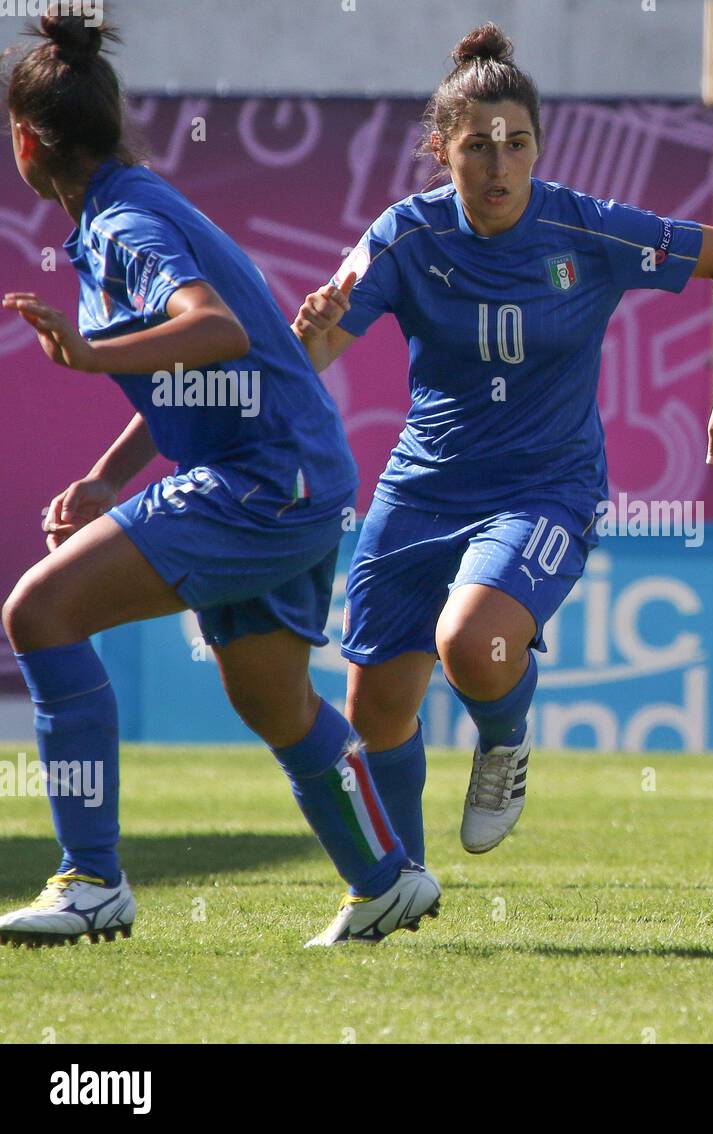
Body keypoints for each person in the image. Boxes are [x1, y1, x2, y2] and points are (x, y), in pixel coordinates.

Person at [0, 13, 437, 948]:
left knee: (38, 614)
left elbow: (215, 331)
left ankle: (90, 881)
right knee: (271, 697)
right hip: (295, 474)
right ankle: (386, 878)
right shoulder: (133, 207)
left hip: (259, 480)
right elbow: (193, 370)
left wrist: (82, 352)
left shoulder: (123, 223)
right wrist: (109, 476)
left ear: (27, 139)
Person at [292, 23, 713, 865]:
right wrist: (313, 333)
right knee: (376, 716)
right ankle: (395, 887)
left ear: (539, 149)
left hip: (546, 488)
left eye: (517, 144)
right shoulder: (406, 234)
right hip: (423, 489)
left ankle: (503, 742)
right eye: (478, 146)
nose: (499, 164)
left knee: (474, 645)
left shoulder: (587, 230)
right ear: (443, 151)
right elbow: (320, 350)